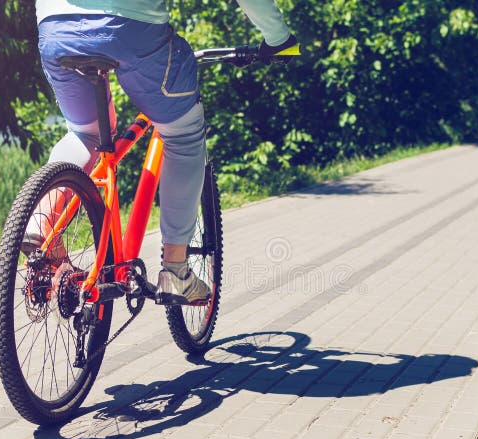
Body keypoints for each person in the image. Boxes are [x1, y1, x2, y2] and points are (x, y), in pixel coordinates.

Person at [32, 0, 297, 304]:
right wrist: (279, 39)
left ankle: (40, 225)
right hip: (130, 28)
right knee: (184, 135)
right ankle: (176, 271)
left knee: (85, 133)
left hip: (55, 28)